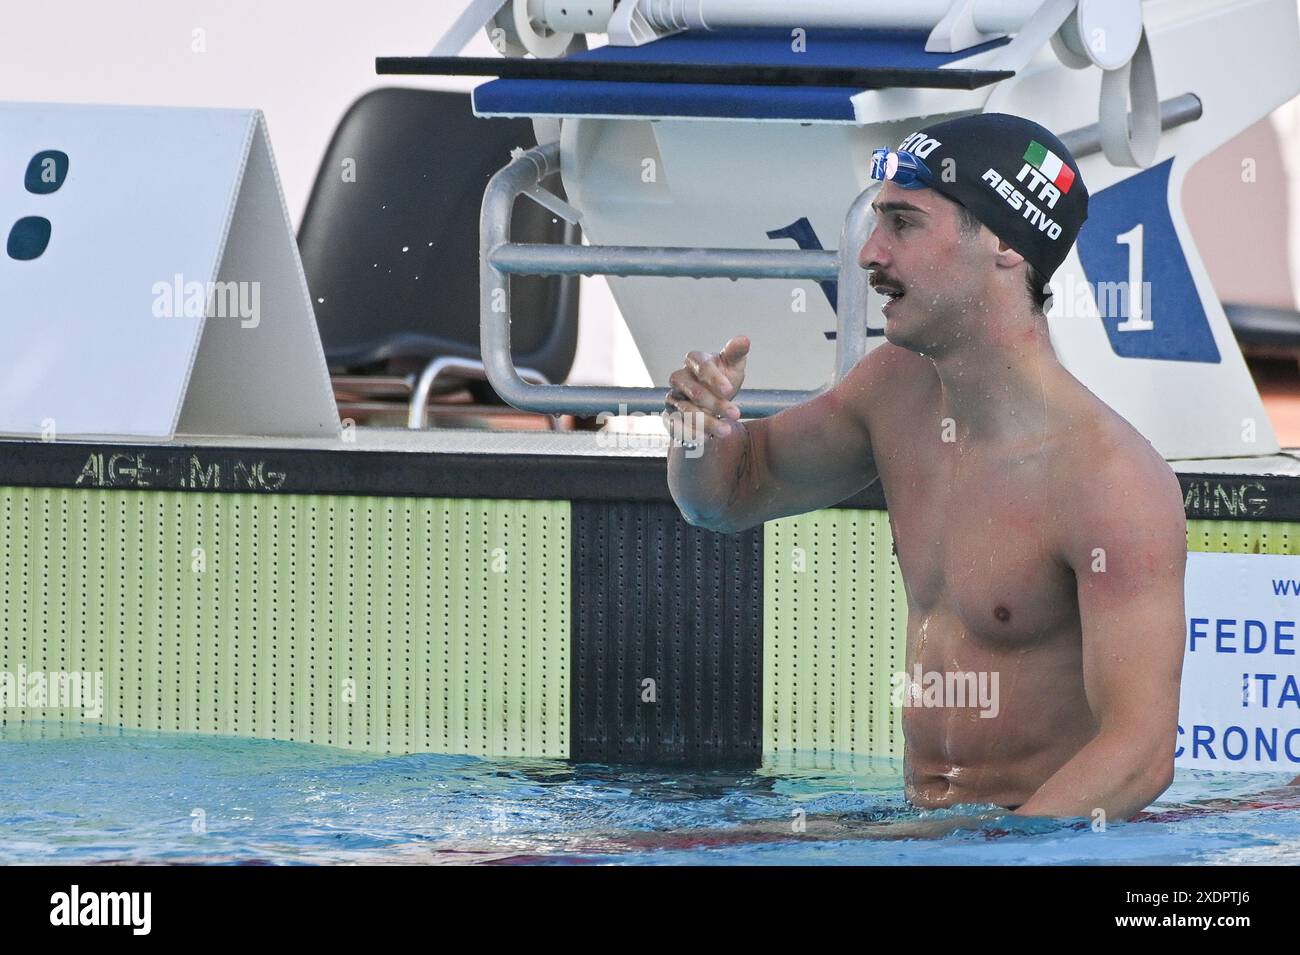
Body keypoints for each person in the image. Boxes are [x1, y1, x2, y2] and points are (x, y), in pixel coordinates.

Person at [663, 113, 1189, 823]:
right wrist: (702, 431)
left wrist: (994, 856)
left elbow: (1140, 752)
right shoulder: (895, 393)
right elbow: (724, 496)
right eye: (877, 221)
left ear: (1005, 243)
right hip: (922, 824)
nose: (869, 253)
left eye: (903, 223)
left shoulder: (1110, 482)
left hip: (1033, 840)